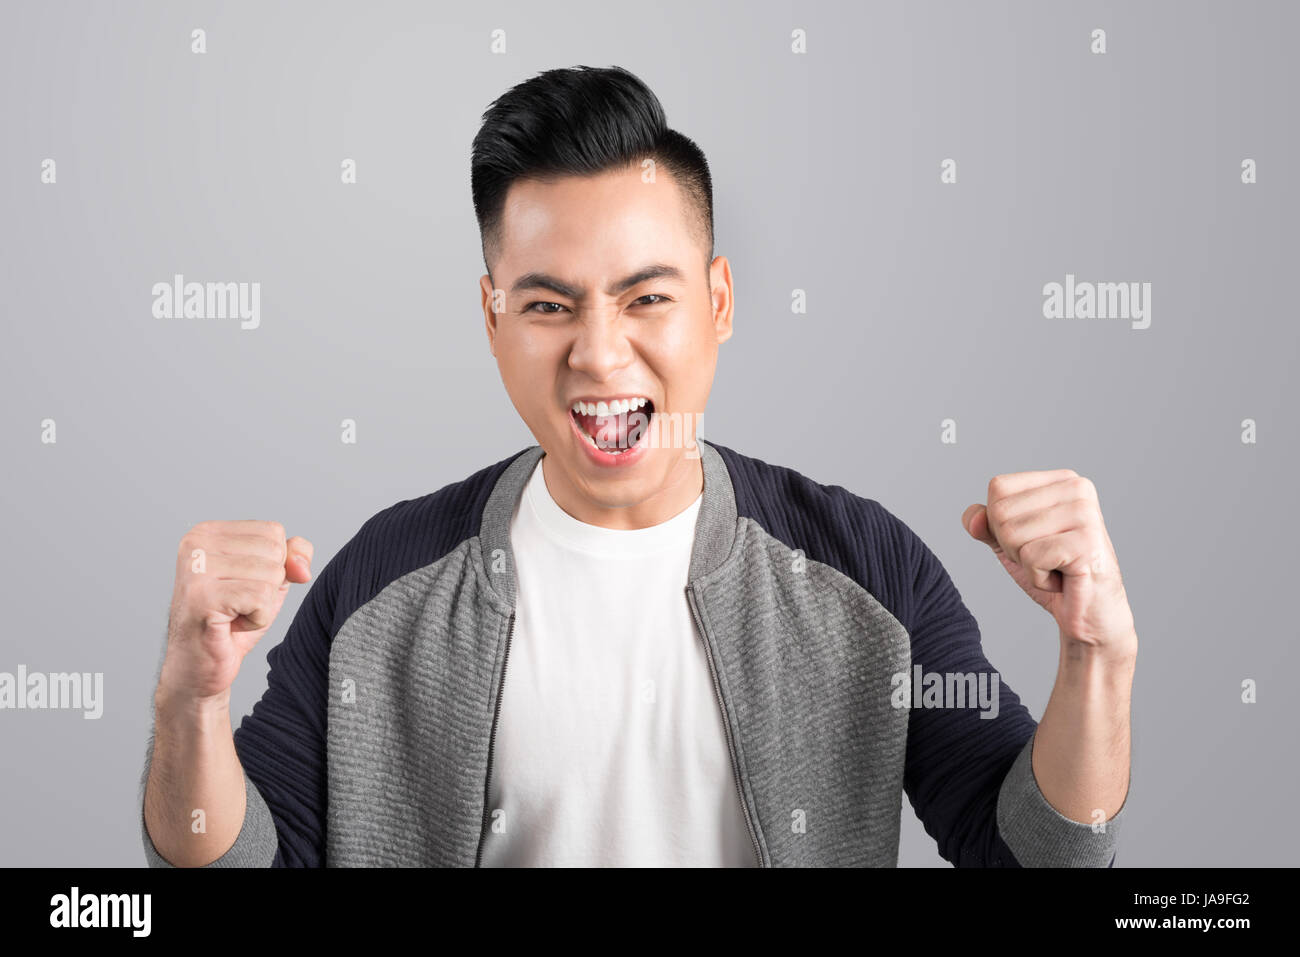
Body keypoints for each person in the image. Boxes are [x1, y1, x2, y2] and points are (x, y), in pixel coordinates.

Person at [140, 64, 1136, 867]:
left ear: (720, 302)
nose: (599, 353)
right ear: (493, 321)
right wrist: (190, 703)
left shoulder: (862, 569)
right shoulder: (379, 583)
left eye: (645, 299)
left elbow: (1038, 854)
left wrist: (1096, 657)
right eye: (547, 305)